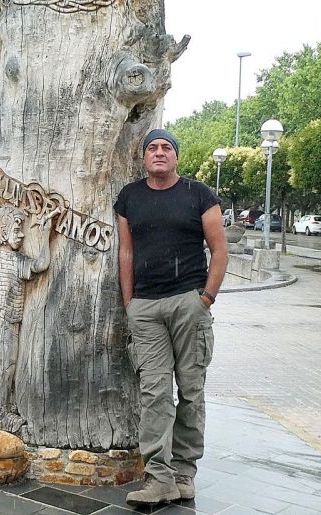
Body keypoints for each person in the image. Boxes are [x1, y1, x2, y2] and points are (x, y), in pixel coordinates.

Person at [114, 129, 228, 506]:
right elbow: (126, 252)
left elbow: (219, 250)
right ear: (144, 156)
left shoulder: (199, 194)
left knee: (191, 391)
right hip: (146, 309)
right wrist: (130, 303)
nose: (159, 152)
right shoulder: (130, 197)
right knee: (155, 393)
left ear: (176, 156)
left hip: (188, 303)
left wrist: (205, 299)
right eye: (153, 147)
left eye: (166, 147)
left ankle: (184, 472)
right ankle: (159, 478)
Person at [0, 193, 53, 433]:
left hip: (12, 318)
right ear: (2, 232)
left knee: (8, 365)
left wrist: (45, 234)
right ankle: (1, 411)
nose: (22, 235)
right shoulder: (1, 256)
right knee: (6, 365)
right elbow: (40, 264)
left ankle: (4, 404)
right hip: (2, 318)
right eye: (16, 230)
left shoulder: (13, 258)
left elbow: (40, 265)